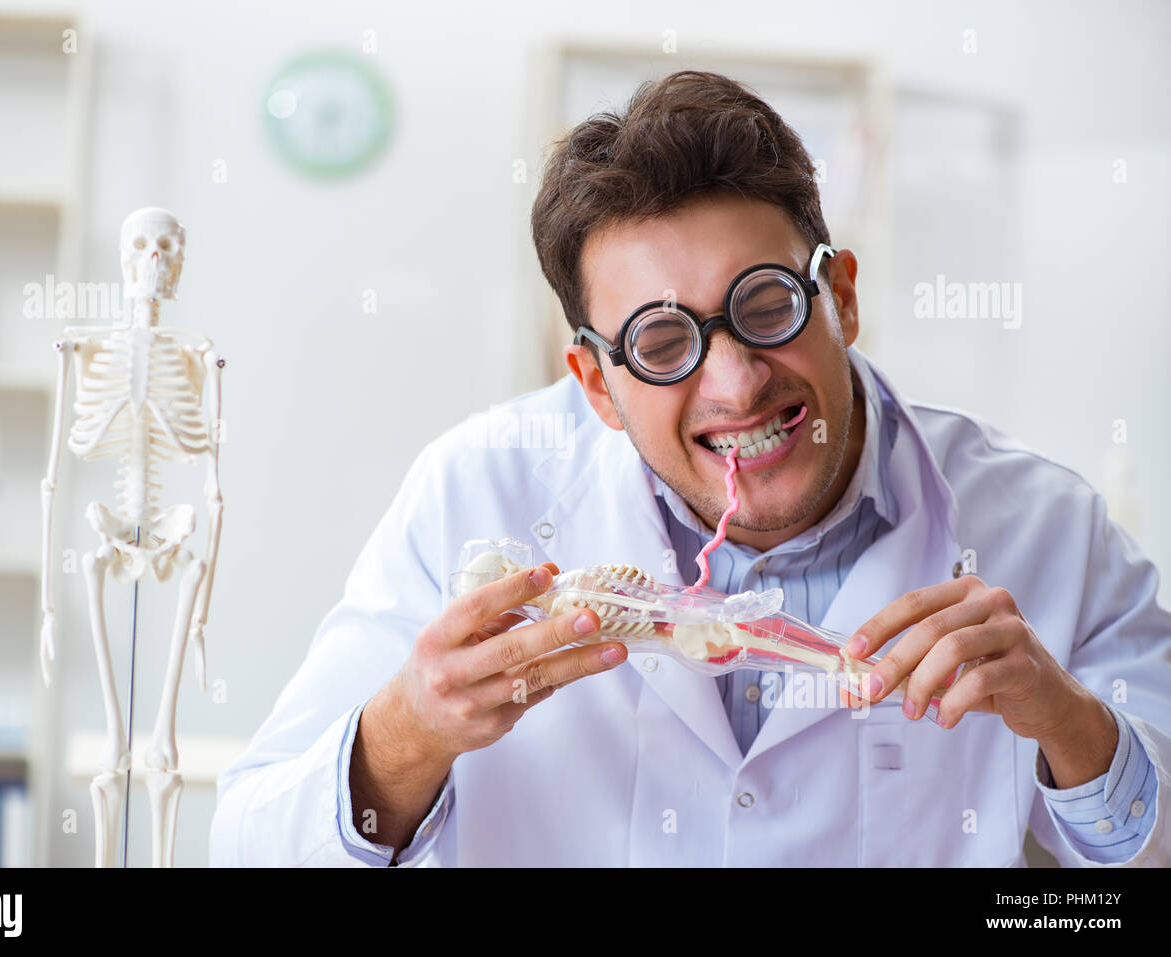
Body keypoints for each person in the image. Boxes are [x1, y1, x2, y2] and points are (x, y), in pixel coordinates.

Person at [210, 71, 1170, 866]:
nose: (738, 382)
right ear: (594, 380)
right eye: (663, 340)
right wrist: (408, 733)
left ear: (839, 294)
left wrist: (1072, 725)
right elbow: (248, 846)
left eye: (765, 304)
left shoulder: (1046, 526)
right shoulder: (474, 492)